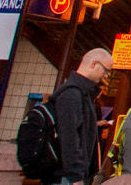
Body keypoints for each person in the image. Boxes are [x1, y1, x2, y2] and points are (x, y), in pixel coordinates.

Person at [54, 49, 114, 185]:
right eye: (106, 70)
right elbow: (69, 137)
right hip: (67, 177)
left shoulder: (80, 93)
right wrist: (76, 177)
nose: (106, 76)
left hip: (72, 175)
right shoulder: (72, 95)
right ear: (93, 64)